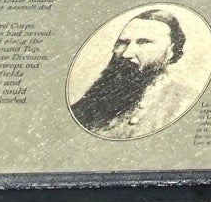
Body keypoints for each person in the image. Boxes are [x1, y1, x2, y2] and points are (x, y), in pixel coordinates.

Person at [71, 8, 202, 138]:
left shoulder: (187, 104)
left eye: (143, 42)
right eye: (123, 43)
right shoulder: (90, 102)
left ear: (171, 51)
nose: (127, 53)